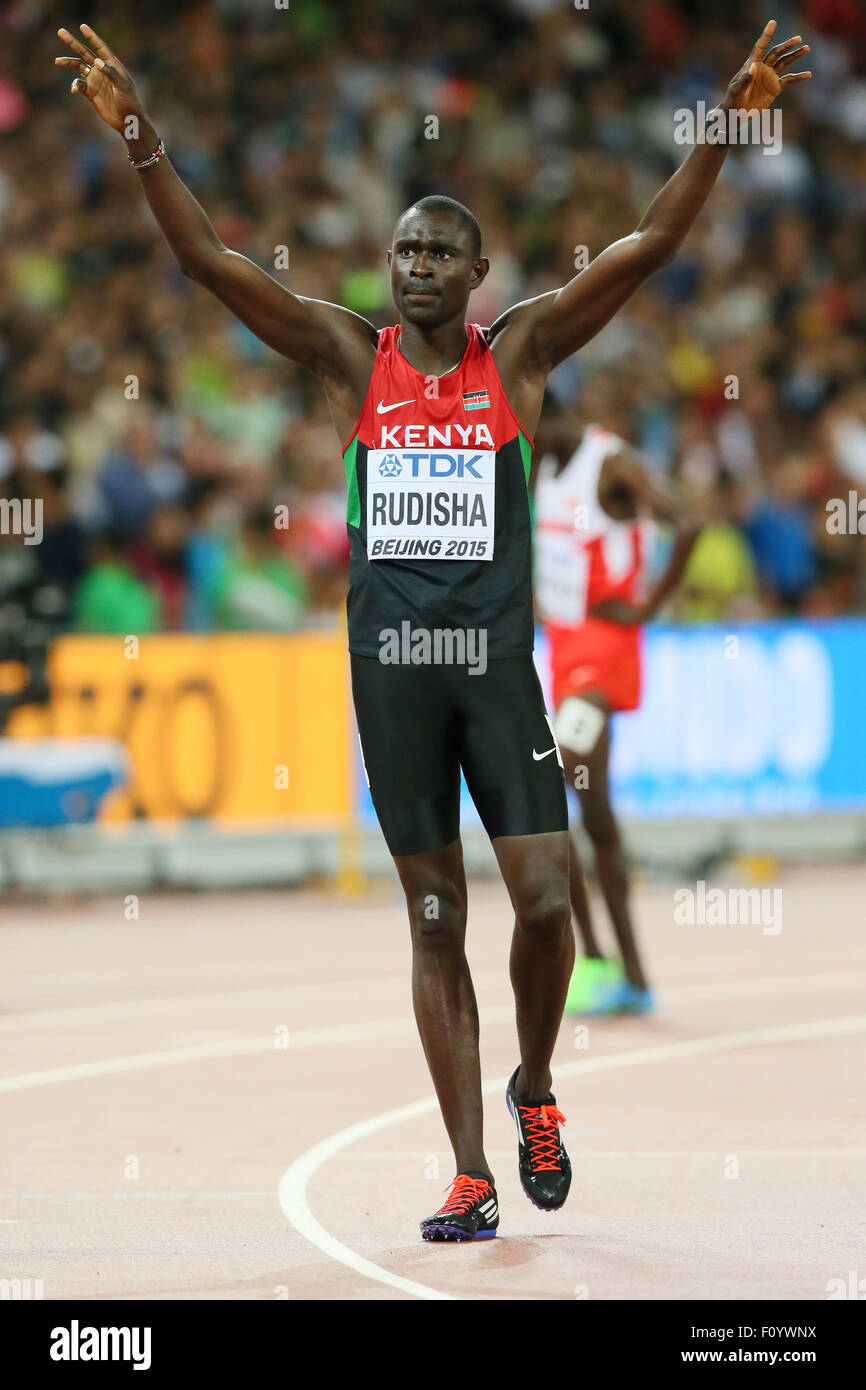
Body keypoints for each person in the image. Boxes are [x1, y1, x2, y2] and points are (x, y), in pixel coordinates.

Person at [55, 18, 810, 1242]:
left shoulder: (524, 354)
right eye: (402, 247)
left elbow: (654, 242)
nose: (412, 264)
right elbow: (203, 259)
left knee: (548, 901)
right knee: (433, 919)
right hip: (393, 679)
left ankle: (535, 1086)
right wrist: (138, 129)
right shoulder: (341, 352)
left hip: (494, 673)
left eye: (436, 252)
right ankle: (468, 1169)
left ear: (474, 277)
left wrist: (727, 119)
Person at [533, 398, 700, 1015]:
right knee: (594, 812)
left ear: (550, 419)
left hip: (601, 656)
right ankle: (631, 976)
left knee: (546, 788)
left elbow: (688, 521)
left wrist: (647, 607)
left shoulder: (611, 464)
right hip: (564, 652)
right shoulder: (547, 465)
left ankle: (595, 963)